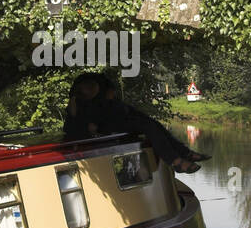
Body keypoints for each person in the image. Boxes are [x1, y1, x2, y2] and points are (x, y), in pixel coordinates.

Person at [63, 72, 209, 173]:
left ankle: (184, 153)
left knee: (153, 124)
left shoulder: (99, 93)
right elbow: (84, 125)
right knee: (148, 126)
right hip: (110, 123)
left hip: (118, 116)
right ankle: (175, 161)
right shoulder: (81, 103)